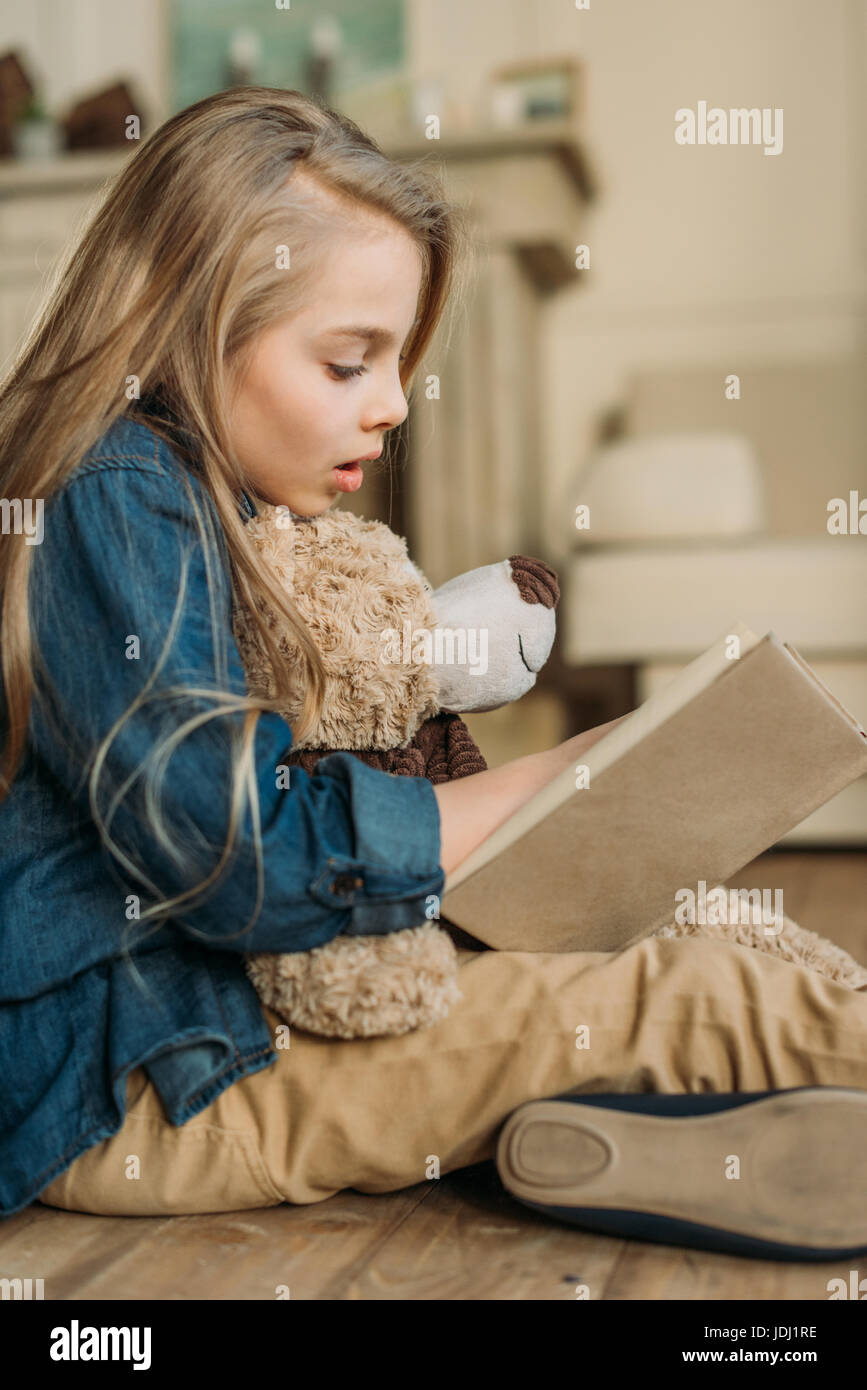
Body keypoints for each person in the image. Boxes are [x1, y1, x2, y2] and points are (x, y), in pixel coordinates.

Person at [1, 88, 865, 1260]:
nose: (395, 404)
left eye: (397, 362)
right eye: (349, 361)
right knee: (694, 995)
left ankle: (683, 1136)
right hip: (143, 1084)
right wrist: (531, 790)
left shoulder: (194, 507)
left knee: (615, 970)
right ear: (189, 319)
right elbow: (230, 844)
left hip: (189, 1033)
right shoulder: (117, 494)